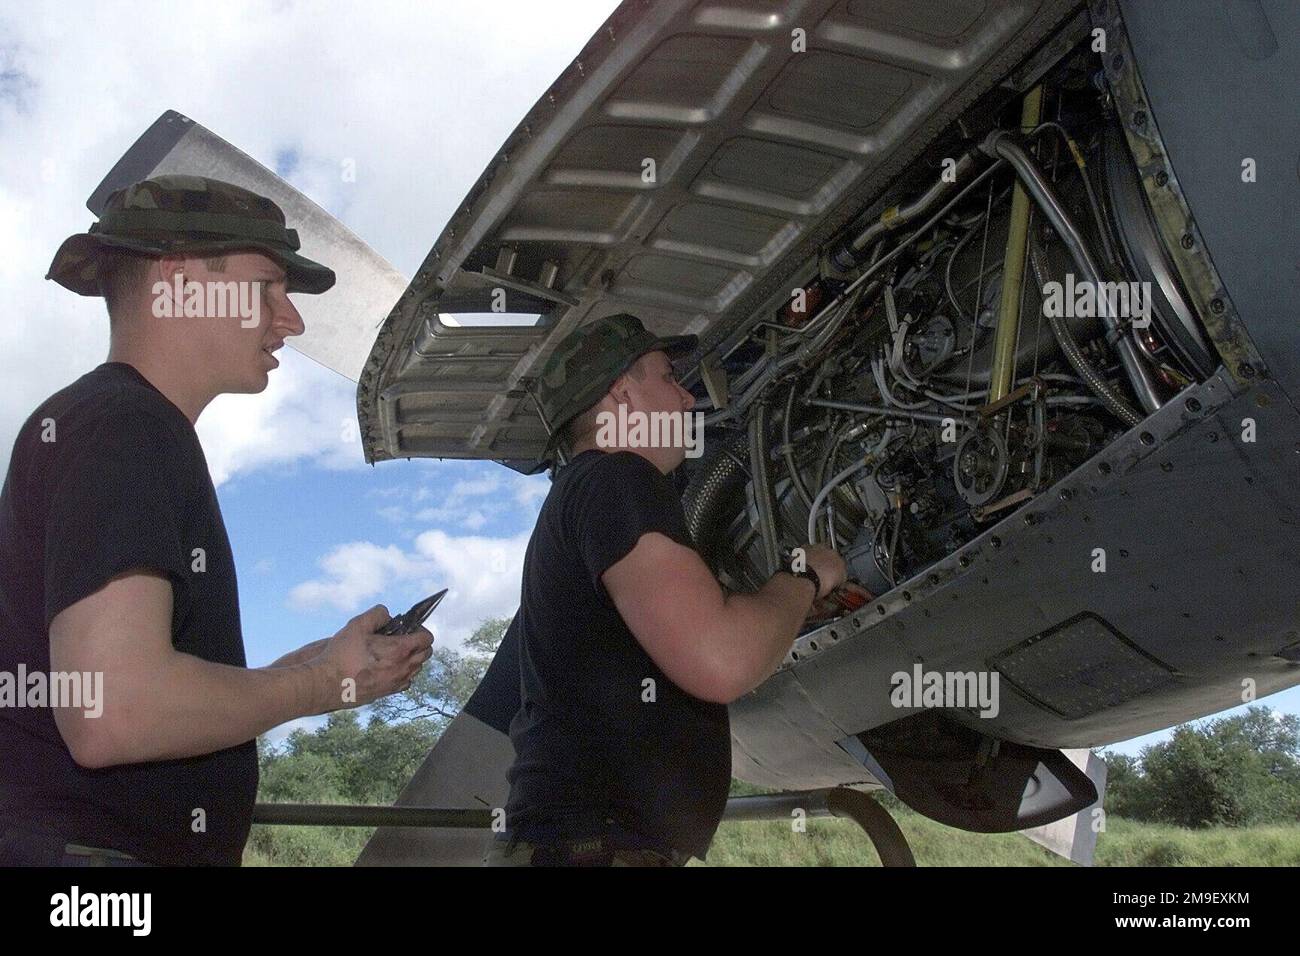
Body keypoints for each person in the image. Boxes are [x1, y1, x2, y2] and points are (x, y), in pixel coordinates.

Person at [0, 175, 432, 866]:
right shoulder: (124, 425)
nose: (290, 320)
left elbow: (137, 689)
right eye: (267, 287)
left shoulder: (112, 424)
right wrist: (321, 684)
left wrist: (324, 666)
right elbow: (116, 712)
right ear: (180, 281)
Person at [486, 313, 846, 866]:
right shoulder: (616, 479)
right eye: (668, 378)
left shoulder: (583, 495)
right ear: (622, 395)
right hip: (594, 850)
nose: (687, 399)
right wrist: (803, 577)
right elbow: (720, 659)